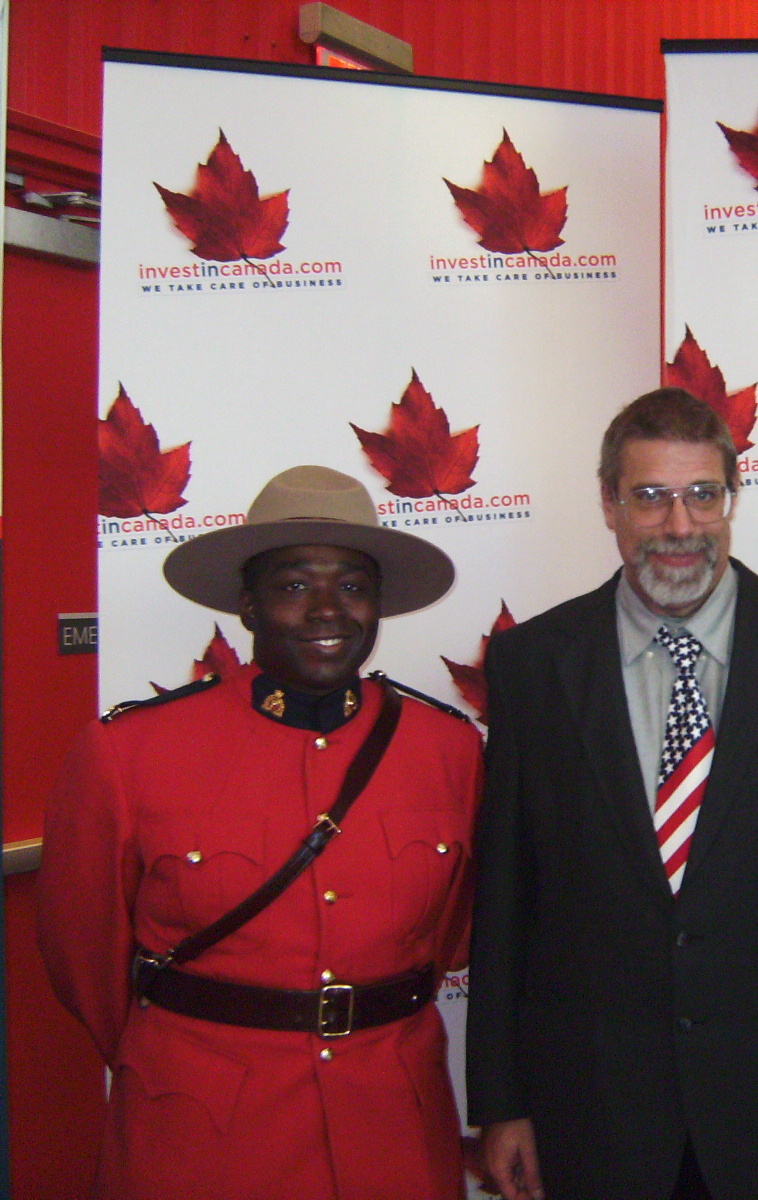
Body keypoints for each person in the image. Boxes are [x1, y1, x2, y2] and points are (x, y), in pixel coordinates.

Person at [466, 388, 758, 1200]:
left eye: (704, 495)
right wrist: (500, 1103)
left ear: (731, 499)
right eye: (650, 497)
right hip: (593, 1110)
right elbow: (504, 902)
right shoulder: (532, 665)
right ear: (609, 504)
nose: (680, 526)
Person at [38, 465, 482, 1200]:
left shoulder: (447, 750)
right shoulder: (128, 752)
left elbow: (451, 937)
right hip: (202, 1133)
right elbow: (80, 951)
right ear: (246, 604)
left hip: (393, 1131)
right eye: (294, 585)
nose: (327, 611)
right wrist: (182, 1052)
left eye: (352, 585)